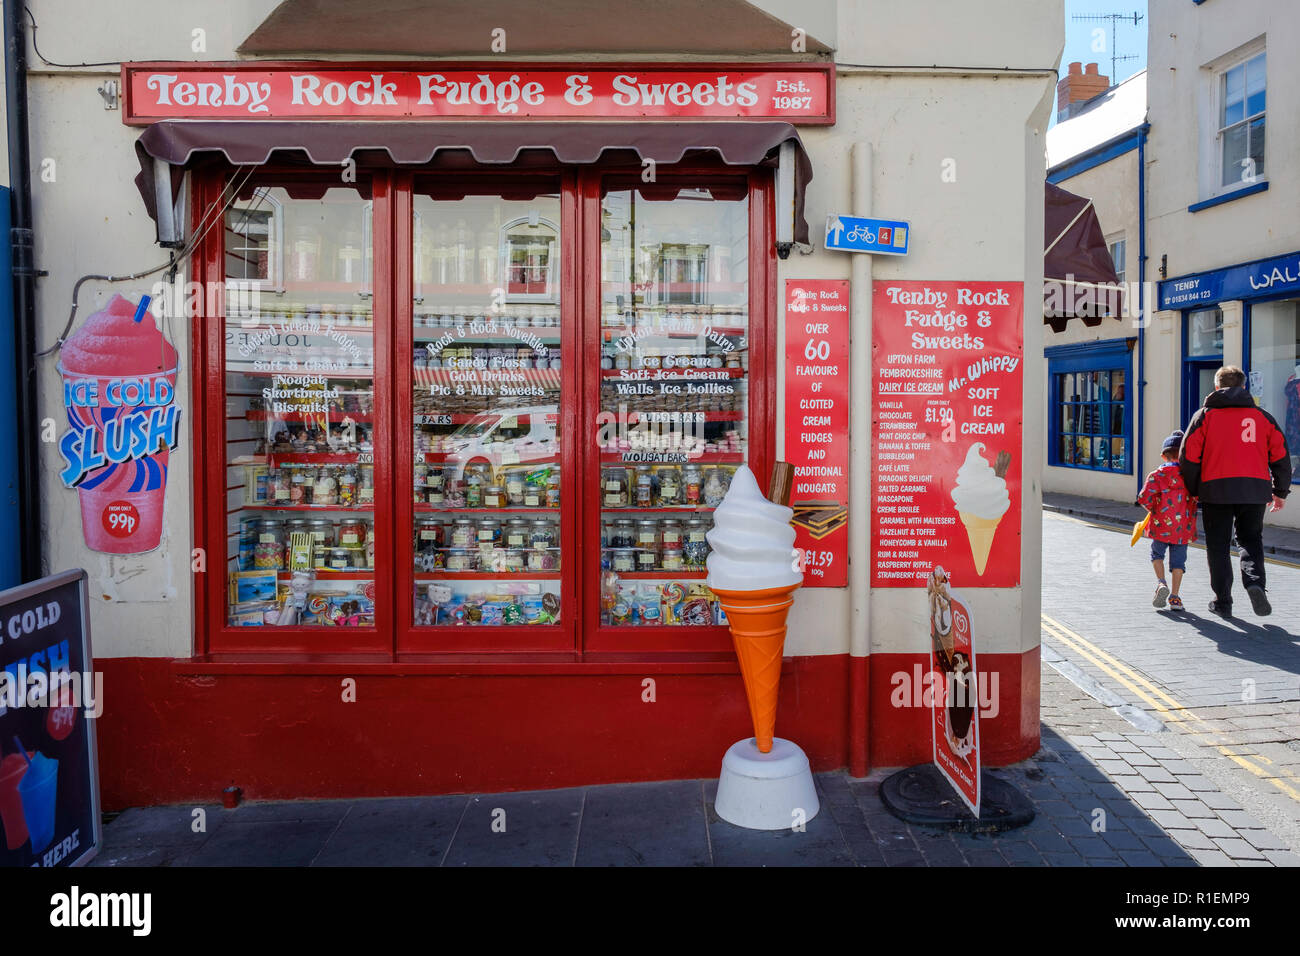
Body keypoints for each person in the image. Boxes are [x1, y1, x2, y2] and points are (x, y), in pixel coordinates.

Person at [1179, 366, 1291, 617]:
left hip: (1215, 490)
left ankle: (1223, 601)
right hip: (1254, 489)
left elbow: (1189, 457)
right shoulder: (1263, 417)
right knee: (1251, 540)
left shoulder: (1204, 416)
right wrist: (1280, 491)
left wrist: (1194, 489)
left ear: (1216, 387)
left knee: (1218, 546)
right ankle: (1254, 583)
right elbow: (1281, 457)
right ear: (1243, 387)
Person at [1138, 431, 1197, 611]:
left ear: (1164, 455)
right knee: (1179, 563)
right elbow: (1198, 496)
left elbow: (1143, 497)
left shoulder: (1157, 475)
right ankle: (1175, 597)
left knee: (1157, 555)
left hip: (1161, 525)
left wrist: (1154, 510)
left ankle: (1161, 583)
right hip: (1183, 527)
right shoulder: (1191, 475)